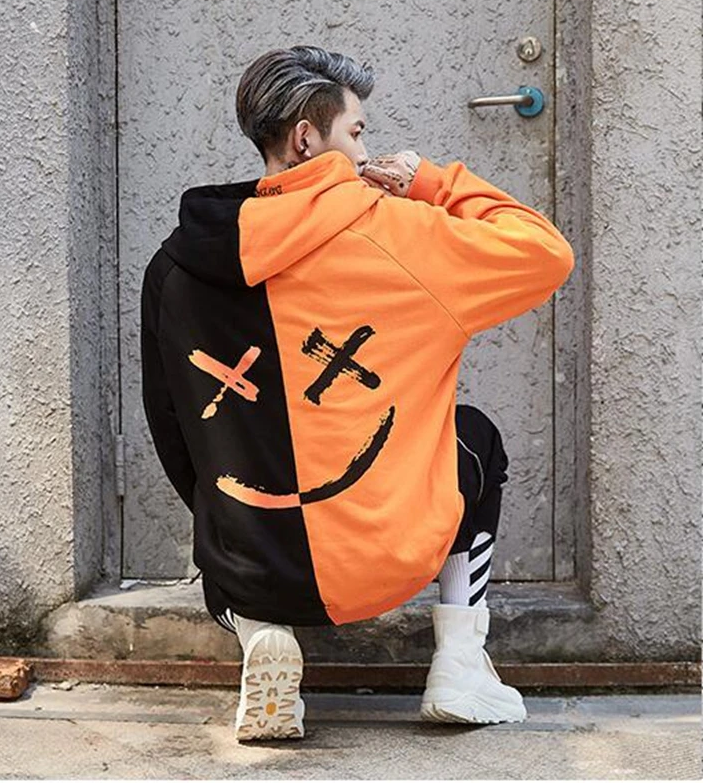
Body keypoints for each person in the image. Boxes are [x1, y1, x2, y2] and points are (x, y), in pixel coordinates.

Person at [140, 45, 574, 742]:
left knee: (218, 483)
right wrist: (428, 179)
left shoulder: (176, 264)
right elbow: (547, 251)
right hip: (385, 558)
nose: (366, 150)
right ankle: (460, 665)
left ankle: (261, 638)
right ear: (306, 139)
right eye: (357, 131)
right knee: (473, 438)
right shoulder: (403, 233)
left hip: (252, 566)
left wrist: (236, 530)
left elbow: (171, 427)